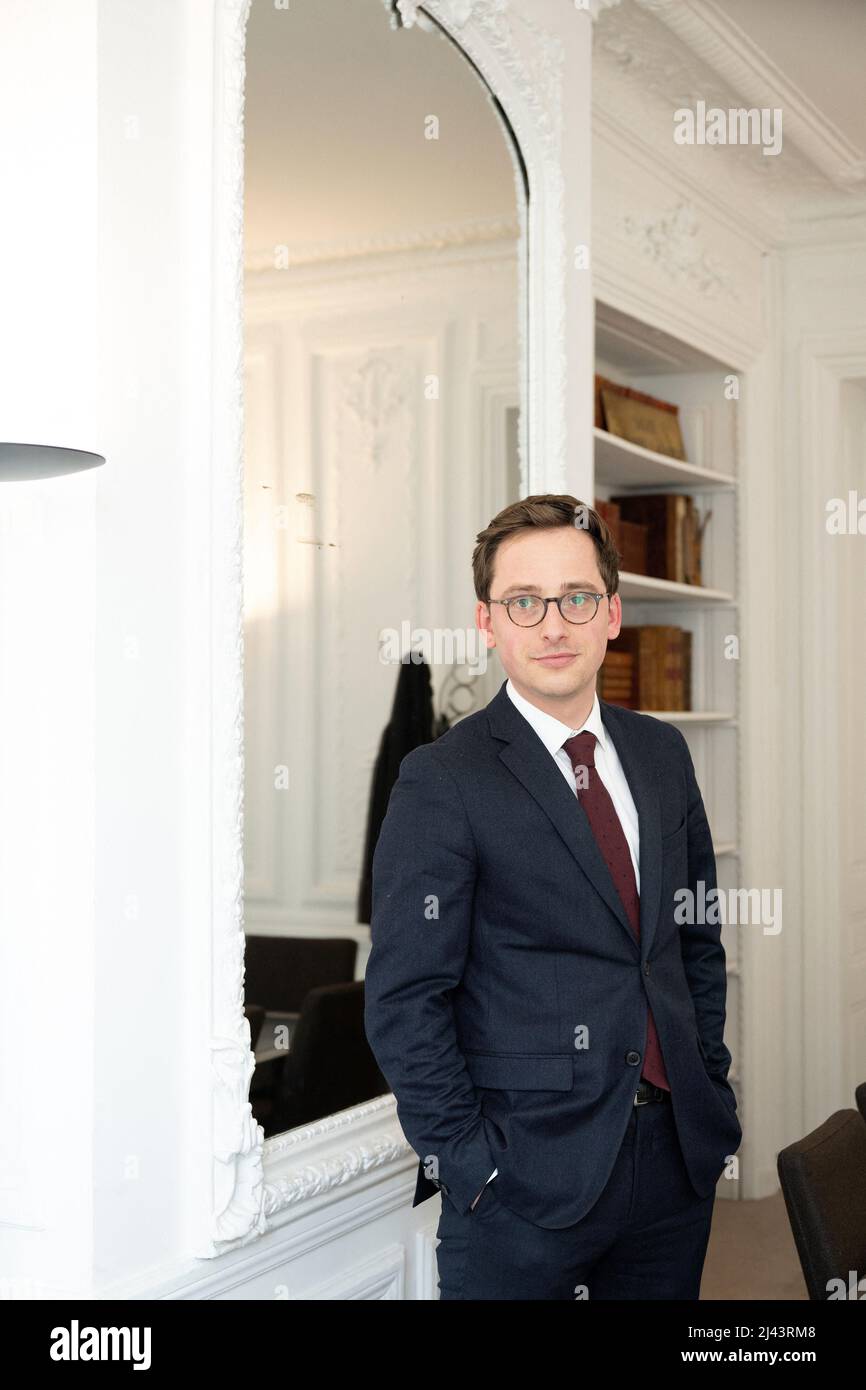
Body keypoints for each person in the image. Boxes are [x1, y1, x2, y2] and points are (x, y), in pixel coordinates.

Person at [364, 495, 742, 1300]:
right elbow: (405, 998)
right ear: (488, 622)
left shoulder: (661, 753)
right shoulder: (444, 780)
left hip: (673, 1159)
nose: (552, 625)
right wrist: (470, 1163)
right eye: (523, 602)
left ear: (611, 613)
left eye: (576, 598)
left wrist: (709, 1079)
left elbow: (694, 936)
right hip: (521, 1183)